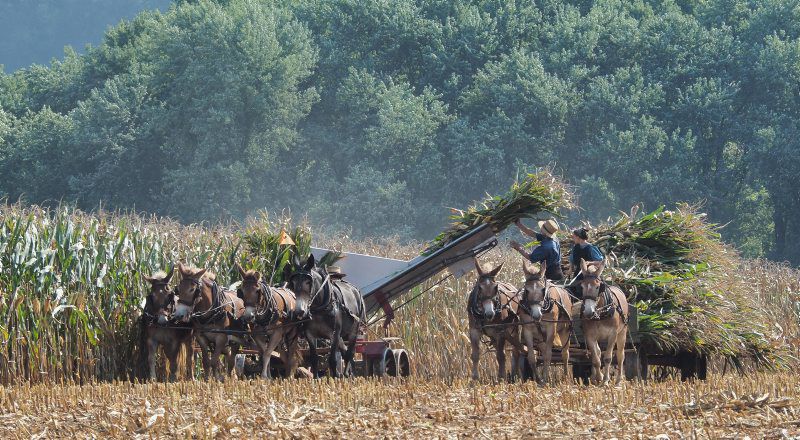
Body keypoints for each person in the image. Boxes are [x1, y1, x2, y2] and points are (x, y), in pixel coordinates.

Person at [567, 227, 604, 298]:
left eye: (574, 237)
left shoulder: (591, 248)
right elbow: (572, 260)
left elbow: (600, 262)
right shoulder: (575, 248)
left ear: (578, 237)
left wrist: (590, 263)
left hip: (590, 275)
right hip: (578, 274)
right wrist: (570, 269)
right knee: (571, 290)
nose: (573, 239)